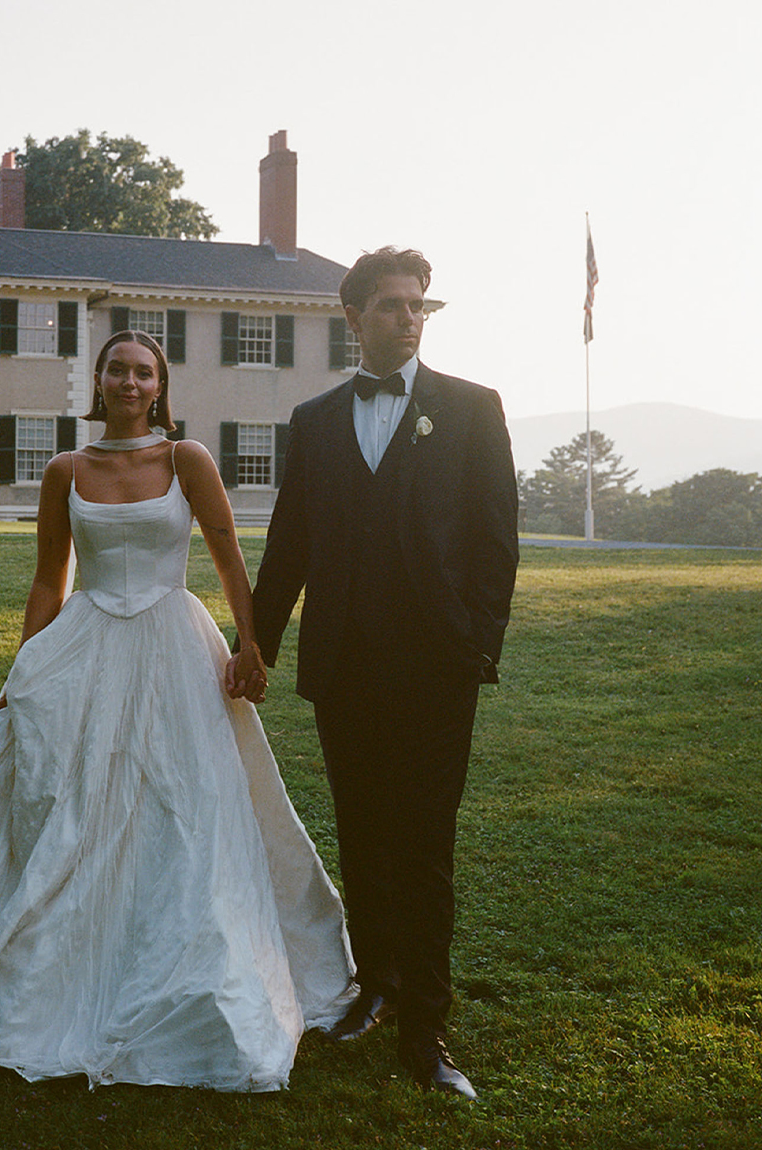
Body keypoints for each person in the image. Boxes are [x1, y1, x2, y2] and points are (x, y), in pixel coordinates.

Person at [0, 330, 354, 1091]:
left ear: (160, 386)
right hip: (86, 645)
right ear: (98, 382)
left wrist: (250, 646)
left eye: (144, 372)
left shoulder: (186, 460)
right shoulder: (65, 470)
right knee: (64, 801)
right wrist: (25, 663)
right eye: (118, 370)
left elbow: (229, 553)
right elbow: (50, 578)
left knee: (188, 802)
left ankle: (193, 965)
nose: (130, 382)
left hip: (176, 646)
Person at [229, 247, 518, 1100]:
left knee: (424, 847)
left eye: (418, 305)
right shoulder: (315, 421)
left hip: (437, 671)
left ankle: (428, 1033)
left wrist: (476, 643)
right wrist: (259, 643)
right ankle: (377, 988)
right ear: (353, 317)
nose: (409, 317)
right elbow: (291, 544)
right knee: (362, 835)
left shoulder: (471, 409)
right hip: (344, 667)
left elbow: (496, 541)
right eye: (391, 305)